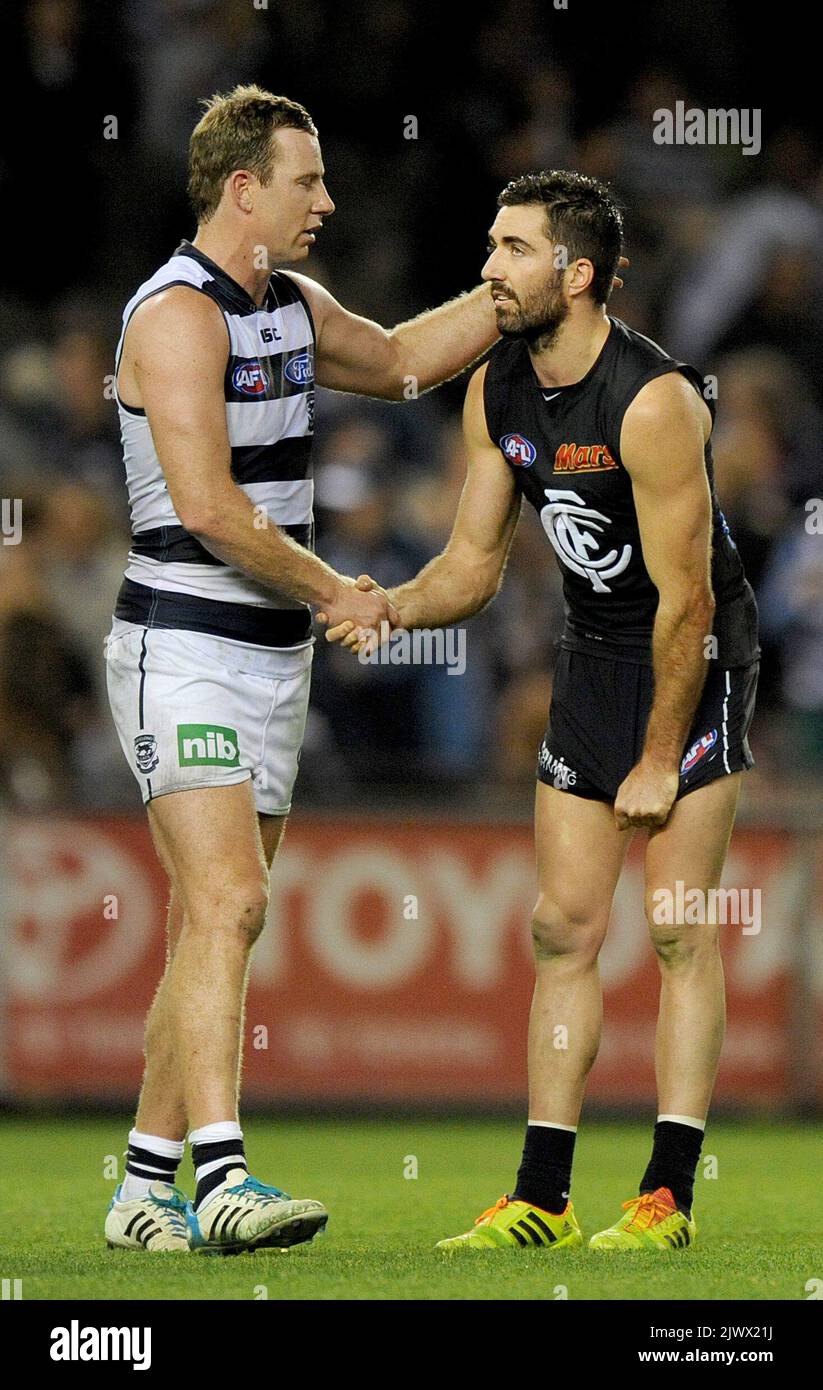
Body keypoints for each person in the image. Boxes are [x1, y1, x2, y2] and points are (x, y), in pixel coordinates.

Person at [103, 84, 502, 1255]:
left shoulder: (290, 303)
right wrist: (339, 591)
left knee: (210, 924)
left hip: (273, 661)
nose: (326, 201)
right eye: (306, 181)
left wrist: (508, 296)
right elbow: (208, 508)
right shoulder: (176, 315)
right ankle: (225, 1177)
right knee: (230, 902)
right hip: (184, 647)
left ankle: (141, 1189)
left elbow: (403, 360)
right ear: (243, 189)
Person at [330, 170, 760, 1253]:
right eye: (490, 244)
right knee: (561, 927)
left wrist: (657, 760)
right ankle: (542, 1199)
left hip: (696, 655)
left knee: (677, 927)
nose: (488, 268)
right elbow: (472, 567)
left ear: (576, 274)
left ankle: (666, 1198)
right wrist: (392, 604)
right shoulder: (496, 388)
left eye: (512, 249)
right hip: (595, 654)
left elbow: (689, 601)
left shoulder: (654, 401)